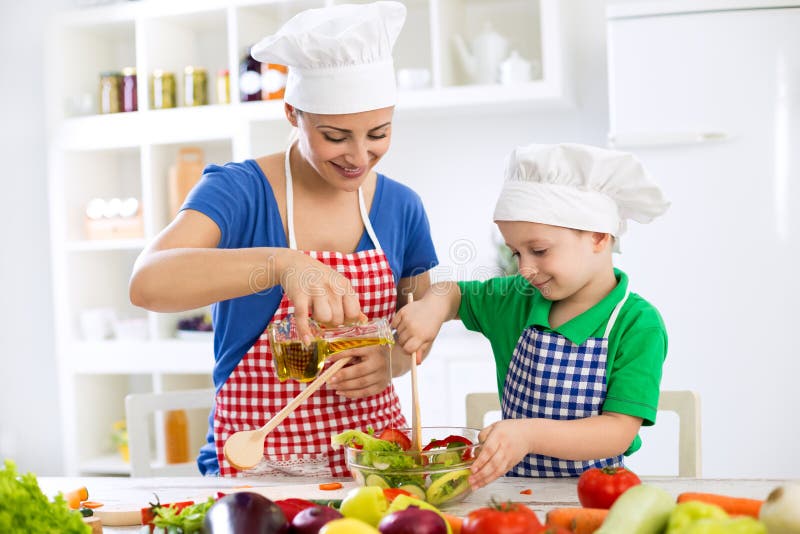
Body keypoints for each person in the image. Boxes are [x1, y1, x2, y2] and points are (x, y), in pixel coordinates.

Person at [129, 1, 438, 477]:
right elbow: (147, 284)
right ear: (293, 112)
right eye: (336, 136)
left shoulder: (402, 206)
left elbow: (419, 328)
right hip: (255, 469)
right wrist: (282, 263)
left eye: (378, 133)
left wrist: (392, 360)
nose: (359, 156)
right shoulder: (238, 192)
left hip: (375, 467)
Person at [393, 143, 670, 487]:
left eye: (538, 250)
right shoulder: (517, 299)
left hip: (598, 495)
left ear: (599, 236)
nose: (525, 268)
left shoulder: (636, 324)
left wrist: (528, 435)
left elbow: (618, 432)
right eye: (516, 253)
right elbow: (453, 293)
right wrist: (432, 307)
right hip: (516, 495)